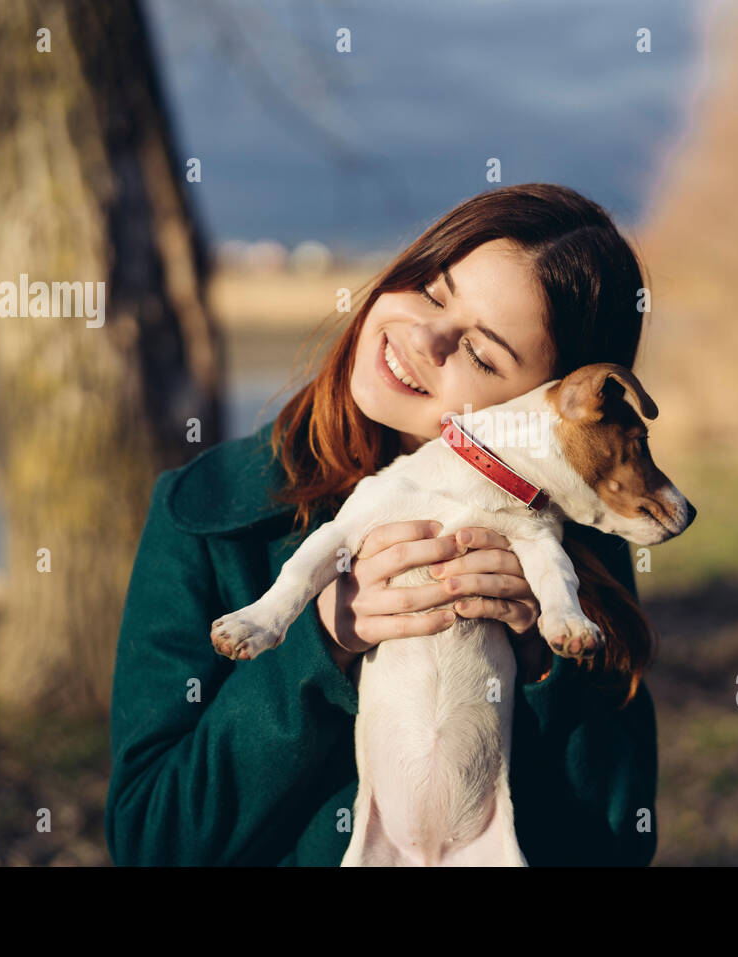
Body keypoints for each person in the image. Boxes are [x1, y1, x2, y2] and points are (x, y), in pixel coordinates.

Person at [105, 183, 660, 866]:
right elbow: (150, 841)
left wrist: (542, 666)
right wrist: (319, 647)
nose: (427, 337)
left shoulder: (569, 548)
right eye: (431, 289)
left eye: (483, 355)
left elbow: (618, 844)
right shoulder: (208, 510)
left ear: (542, 409)